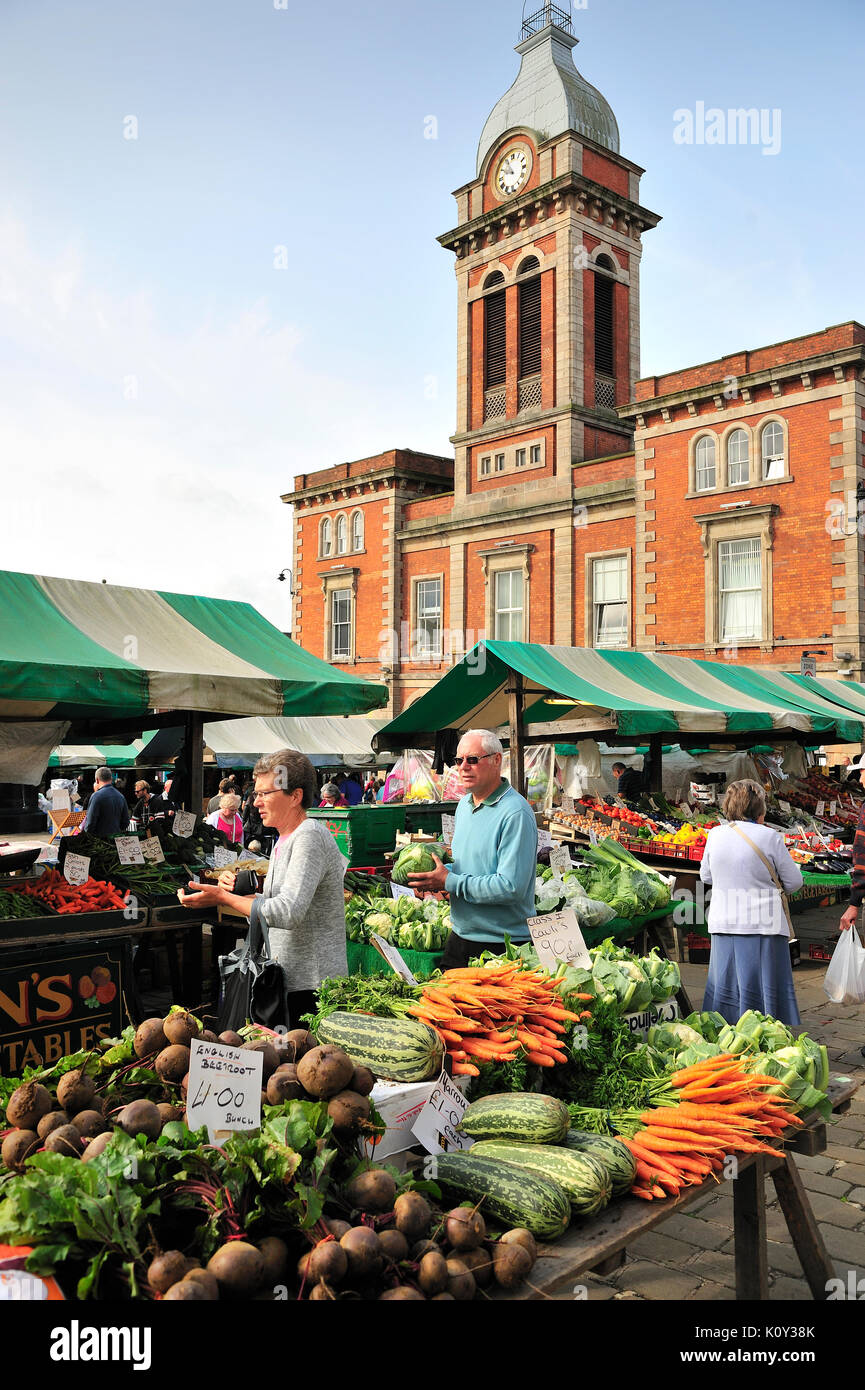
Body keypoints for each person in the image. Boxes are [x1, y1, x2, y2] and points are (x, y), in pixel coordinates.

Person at [177, 748, 348, 1027]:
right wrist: (233, 896)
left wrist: (223, 898)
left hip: (312, 989)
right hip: (286, 981)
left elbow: (287, 912)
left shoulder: (309, 836)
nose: (256, 802)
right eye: (256, 794)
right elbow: (268, 911)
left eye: (265, 793)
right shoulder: (283, 839)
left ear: (295, 796)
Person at [406, 729, 538, 969]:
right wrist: (435, 878)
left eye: (473, 759)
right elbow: (466, 866)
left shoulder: (515, 813)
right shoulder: (464, 806)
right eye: (459, 760)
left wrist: (450, 882)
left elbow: (511, 888)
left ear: (497, 760)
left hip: (503, 947)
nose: (463, 767)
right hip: (460, 937)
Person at [699, 779, 803, 1025]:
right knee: (764, 987)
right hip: (762, 925)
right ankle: (763, 1034)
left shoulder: (715, 834)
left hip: (723, 923)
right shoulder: (770, 837)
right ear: (760, 809)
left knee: (725, 985)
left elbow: (705, 876)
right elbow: (795, 882)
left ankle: (724, 1032)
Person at [82, 767, 131, 836]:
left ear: (97, 780)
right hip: (116, 839)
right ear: (111, 779)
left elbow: (90, 823)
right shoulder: (120, 796)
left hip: (99, 840)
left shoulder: (96, 796)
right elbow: (126, 821)